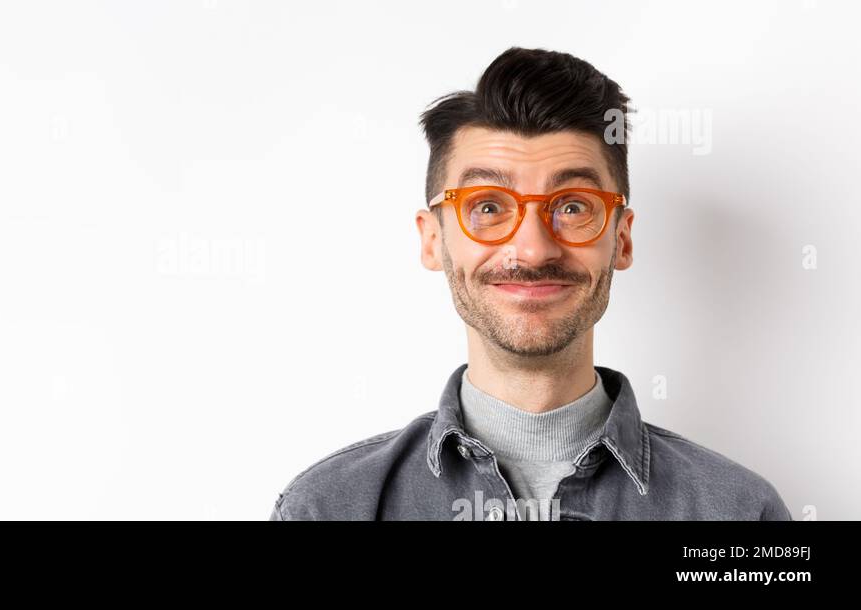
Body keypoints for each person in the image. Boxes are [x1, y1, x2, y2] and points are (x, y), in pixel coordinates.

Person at [268, 47, 792, 521]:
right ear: (433, 240)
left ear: (622, 239)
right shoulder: (328, 509)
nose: (534, 249)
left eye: (571, 207)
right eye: (489, 207)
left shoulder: (741, 516)